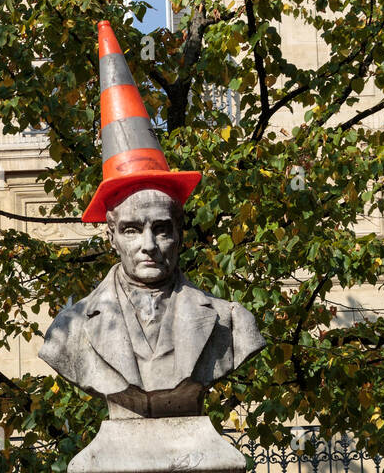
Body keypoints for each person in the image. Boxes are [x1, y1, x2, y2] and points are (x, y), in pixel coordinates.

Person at [39, 23, 264, 416]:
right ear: (111, 235)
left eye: (161, 229)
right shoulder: (68, 331)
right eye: (132, 229)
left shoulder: (231, 323)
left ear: (180, 233)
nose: (148, 245)